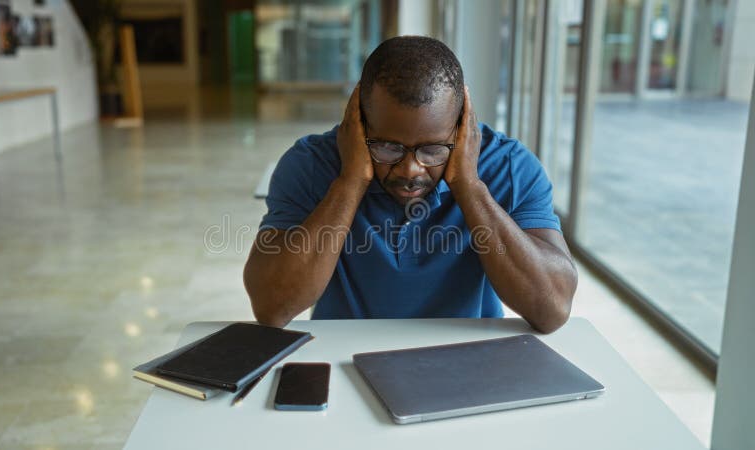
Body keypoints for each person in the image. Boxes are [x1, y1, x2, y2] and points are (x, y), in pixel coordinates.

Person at [243, 36, 577, 333]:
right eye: (387, 147)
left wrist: (470, 186)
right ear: (357, 121)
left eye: (432, 149)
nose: (410, 170)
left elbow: (553, 311)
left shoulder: (509, 166)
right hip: (344, 359)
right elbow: (272, 308)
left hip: (468, 358)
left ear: (462, 126)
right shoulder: (310, 164)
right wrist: (350, 181)